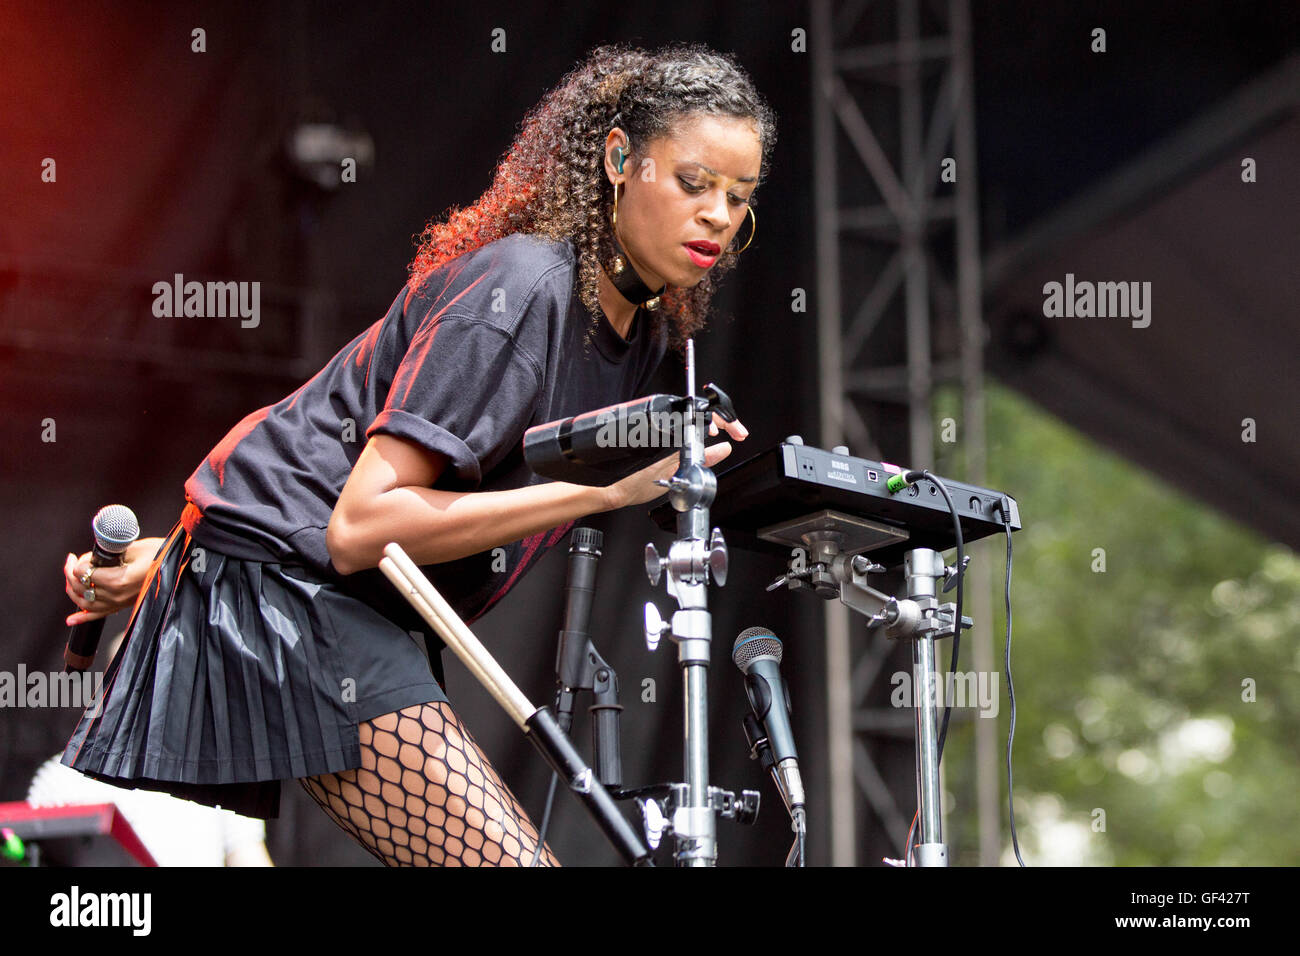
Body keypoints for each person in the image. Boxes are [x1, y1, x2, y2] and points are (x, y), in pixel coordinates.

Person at [58, 42, 774, 867]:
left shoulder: (641, 332)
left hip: (316, 587)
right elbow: (360, 526)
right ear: (618, 158)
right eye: (694, 183)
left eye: (739, 198)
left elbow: (309, 508)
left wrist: (165, 567)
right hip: (307, 602)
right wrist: (604, 495)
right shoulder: (525, 289)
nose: (719, 214)